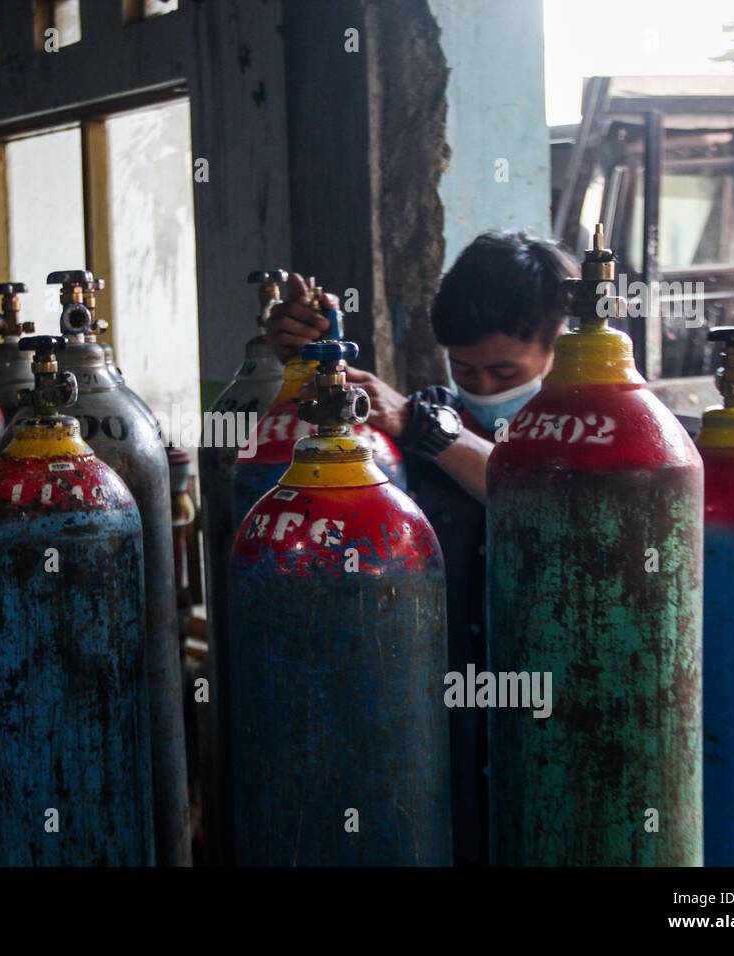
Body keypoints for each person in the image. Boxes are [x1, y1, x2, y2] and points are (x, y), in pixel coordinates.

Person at [264, 231, 580, 865]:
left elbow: (550, 502)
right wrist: (299, 353)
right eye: (464, 369)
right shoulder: (430, 416)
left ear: (560, 343)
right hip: (446, 733)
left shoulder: (600, 433)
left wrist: (423, 428)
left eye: (505, 372)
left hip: (561, 730)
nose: (482, 386)